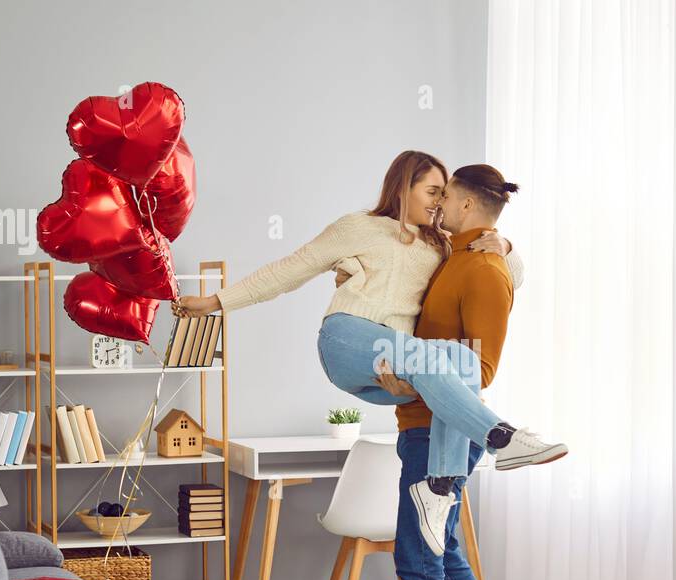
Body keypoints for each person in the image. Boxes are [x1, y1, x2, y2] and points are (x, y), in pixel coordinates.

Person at [173, 150, 567, 554]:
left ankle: (438, 488)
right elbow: (289, 271)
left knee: (465, 361)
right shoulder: (358, 228)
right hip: (349, 339)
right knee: (435, 358)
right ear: (403, 188)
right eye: (433, 191)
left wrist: (504, 242)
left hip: (396, 366)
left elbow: (513, 276)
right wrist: (215, 302)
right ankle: (500, 437)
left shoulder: (441, 243)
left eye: (443, 195)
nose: (438, 202)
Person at [355, 164, 520, 580]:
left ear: (468, 206)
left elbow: (482, 370)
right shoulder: (453, 256)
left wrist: (419, 378)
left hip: (442, 433)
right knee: (442, 550)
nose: (437, 206)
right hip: (419, 424)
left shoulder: (483, 270)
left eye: (445, 198)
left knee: (417, 555)